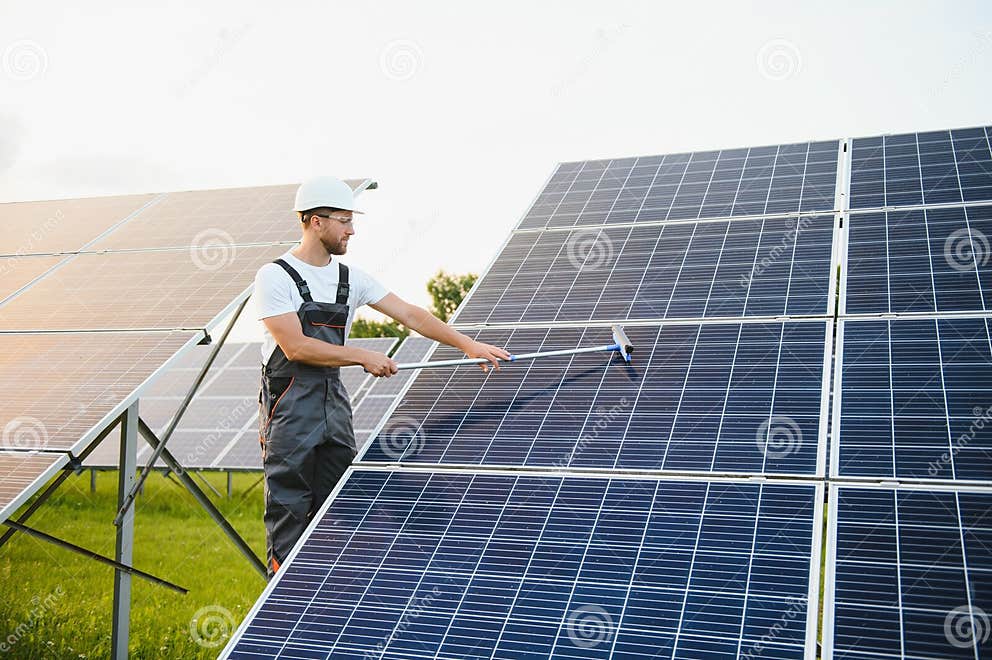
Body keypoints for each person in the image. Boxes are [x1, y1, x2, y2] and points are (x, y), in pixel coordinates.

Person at [253, 175, 508, 576]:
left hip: (332, 407)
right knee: (290, 512)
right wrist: (361, 356)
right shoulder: (275, 276)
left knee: (344, 509)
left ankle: (334, 600)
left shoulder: (350, 278)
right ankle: (282, 607)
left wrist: (466, 344)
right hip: (289, 409)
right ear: (315, 222)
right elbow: (296, 347)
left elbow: (411, 314)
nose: (352, 230)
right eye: (343, 220)